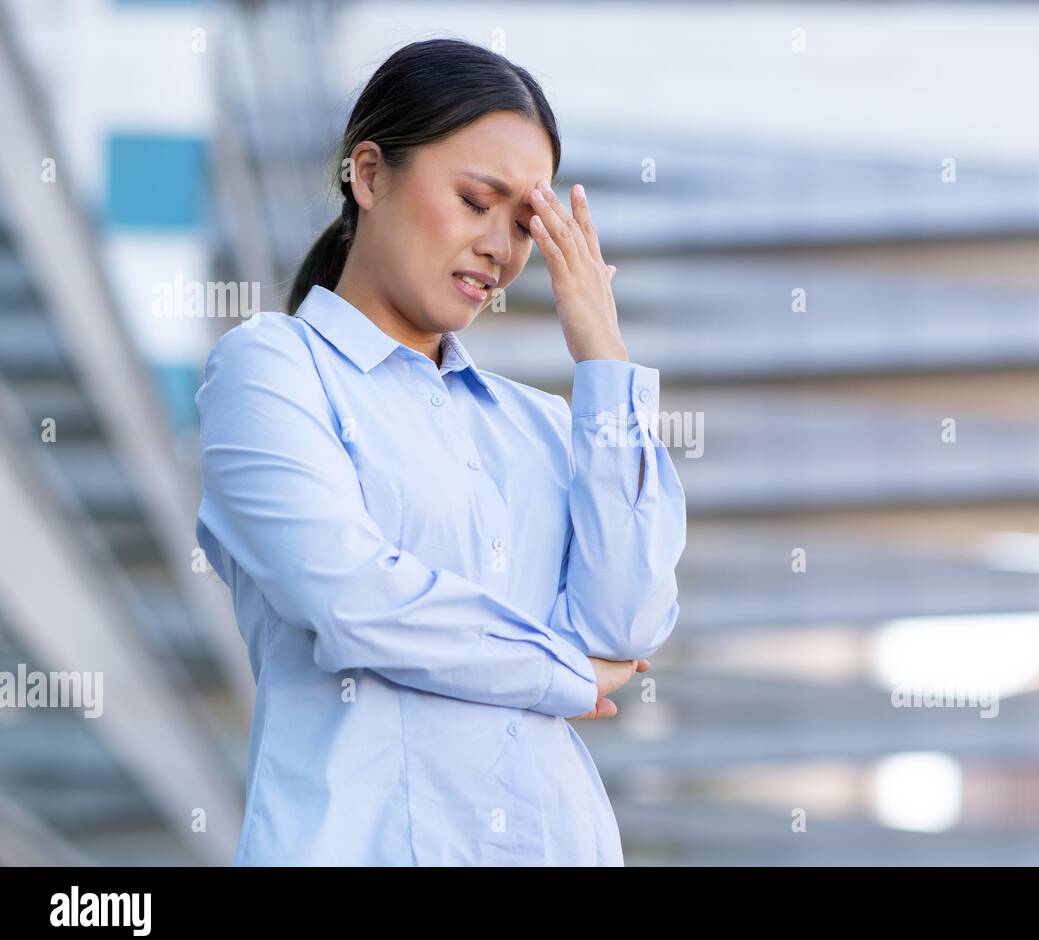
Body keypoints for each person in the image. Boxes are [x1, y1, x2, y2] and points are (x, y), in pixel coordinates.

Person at [193, 37, 686, 865]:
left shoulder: (540, 427)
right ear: (371, 174)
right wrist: (563, 671)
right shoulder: (272, 369)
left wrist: (604, 359)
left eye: (525, 222)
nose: (502, 247)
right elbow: (352, 600)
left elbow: (628, 623)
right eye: (473, 200)